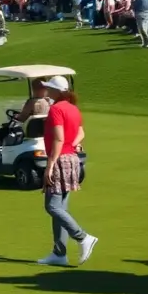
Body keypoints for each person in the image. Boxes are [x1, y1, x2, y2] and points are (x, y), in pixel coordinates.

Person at [37, 75, 97, 266]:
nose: (47, 91)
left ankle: (82, 237)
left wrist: (50, 164)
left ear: (57, 91)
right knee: (60, 208)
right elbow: (81, 133)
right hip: (72, 159)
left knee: (52, 207)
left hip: (60, 159)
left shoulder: (56, 109)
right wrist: (73, 145)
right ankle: (59, 253)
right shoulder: (73, 108)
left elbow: (58, 138)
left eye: (49, 88)